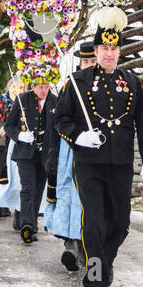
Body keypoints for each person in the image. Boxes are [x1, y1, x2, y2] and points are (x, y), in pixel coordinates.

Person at [54, 8, 143, 287]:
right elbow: (61, 120)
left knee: (120, 222)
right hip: (89, 163)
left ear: (119, 51)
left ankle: (105, 261)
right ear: (96, 51)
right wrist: (78, 136)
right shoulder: (78, 81)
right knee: (95, 222)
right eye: (104, 49)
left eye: (114, 48)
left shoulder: (131, 81)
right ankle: (95, 281)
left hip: (121, 162)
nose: (109, 54)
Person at [45, 43, 93, 271]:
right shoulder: (70, 86)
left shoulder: (109, 85)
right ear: (79, 63)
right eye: (86, 62)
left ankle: (86, 247)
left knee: (88, 199)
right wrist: (53, 153)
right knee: (68, 195)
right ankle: (70, 246)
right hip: (70, 151)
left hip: (97, 153)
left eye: (93, 61)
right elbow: (58, 121)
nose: (90, 65)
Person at [8, 80, 56, 243]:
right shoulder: (22, 99)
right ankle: (26, 225)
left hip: (45, 155)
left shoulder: (55, 101)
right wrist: (19, 136)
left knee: (38, 189)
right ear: (33, 87)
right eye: (40, 87)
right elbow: (9, 126)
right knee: (28, 188)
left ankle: (33, 224)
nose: (44, 91)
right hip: (25, 153)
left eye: (46, 87)